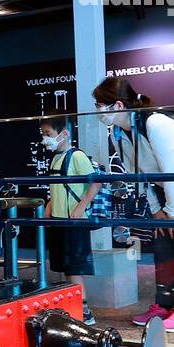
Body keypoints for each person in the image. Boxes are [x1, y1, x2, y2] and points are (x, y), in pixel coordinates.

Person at [92, 77, 174, 332]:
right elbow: (137, 176)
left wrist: (172, 213)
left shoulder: (156, 124)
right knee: (162, 244)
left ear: (117, 105)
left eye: (99, 104)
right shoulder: (119, 133)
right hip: (164, 185)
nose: (96, 110)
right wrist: (156, 211)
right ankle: (164, 305)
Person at [40, 116, 102, 325]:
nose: (45, 139)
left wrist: (81, 207)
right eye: (44, 134)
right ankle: (73, 306)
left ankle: (84, 310)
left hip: (74, 221)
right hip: (60, 220)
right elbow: (55, 186)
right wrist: (49, 207)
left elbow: (96, 183)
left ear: (63, 133)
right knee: (66, 266)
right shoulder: (56, 157)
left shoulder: (77, 156)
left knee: (75, 267)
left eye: (48, 134)